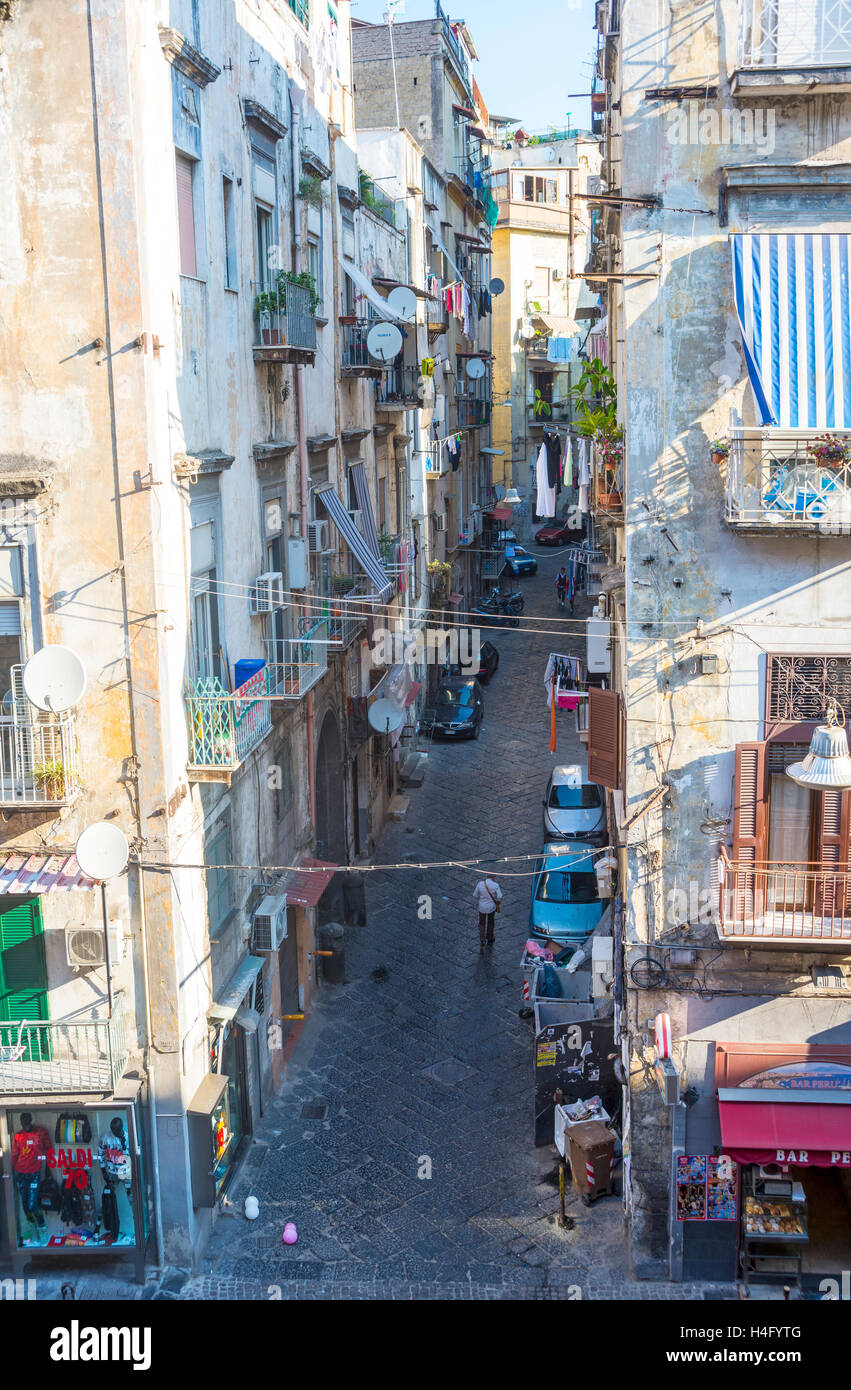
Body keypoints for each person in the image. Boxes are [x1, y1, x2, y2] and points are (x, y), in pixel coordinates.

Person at [473, 876, 503, 951]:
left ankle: (482, 939)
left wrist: (482, 898)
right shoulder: (495, 885)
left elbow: (475, 895)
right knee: (491, 922)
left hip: (482, 907)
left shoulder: (480, 884)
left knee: (482, 923)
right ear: (493, 878)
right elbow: (500, 896)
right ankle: (490, 937)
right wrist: (498, 901)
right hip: (491, 907)